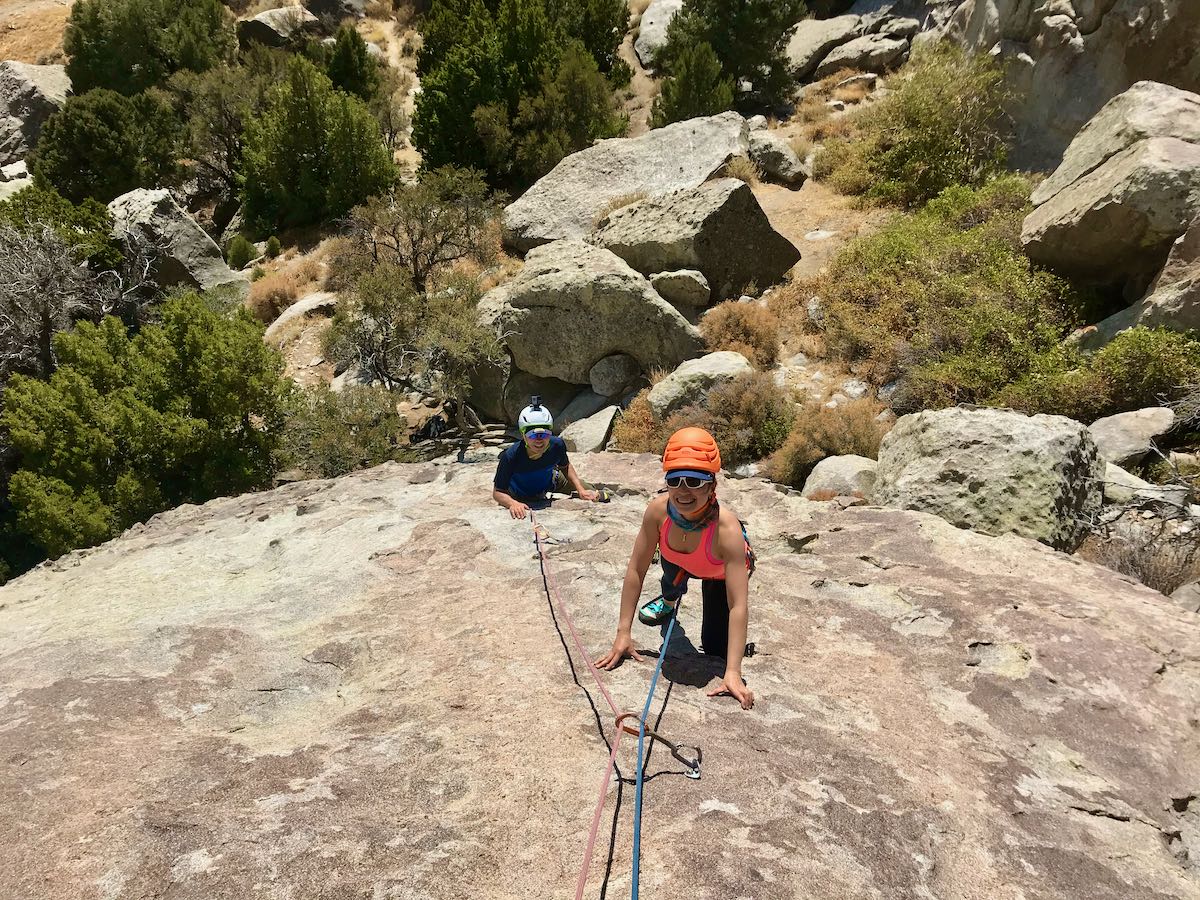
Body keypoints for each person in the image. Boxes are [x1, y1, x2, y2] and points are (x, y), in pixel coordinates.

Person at [595, 427, 755, 709]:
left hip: (717, 573)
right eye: (674, 479)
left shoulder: (726, 528)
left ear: (711, 485)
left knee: (715, 648)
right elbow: (636, 569)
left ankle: (678, 601)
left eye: (694, 480)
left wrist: (733, 671)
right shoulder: (658, 512)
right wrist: (623, 633)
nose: (683, 490)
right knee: (671, 582)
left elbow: (737, 605)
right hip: (678, 560)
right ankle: (669, 601)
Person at [492, 397, 600, 519]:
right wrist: (513, 503)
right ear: (523, 435)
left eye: (544, 434)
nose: (539, 440)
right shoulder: (511, 456)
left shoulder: (557, 445)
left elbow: (565, 466)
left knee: (591, 493)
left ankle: (604, 493)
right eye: (533, 435)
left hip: (552, 481)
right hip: (519, 495)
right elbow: (498, 492)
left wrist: (580, 489)